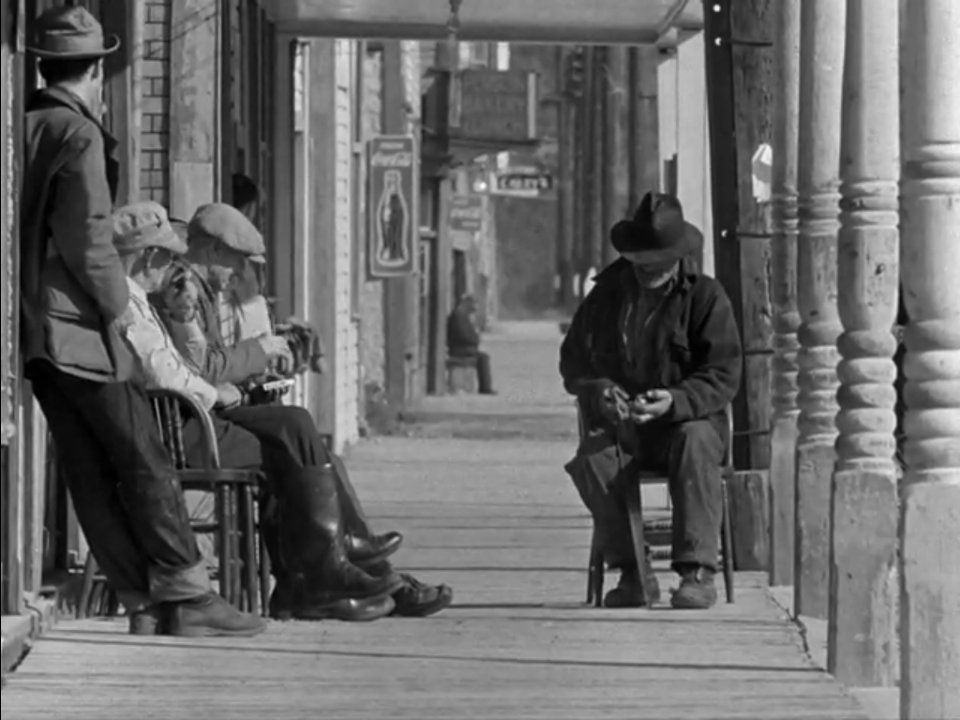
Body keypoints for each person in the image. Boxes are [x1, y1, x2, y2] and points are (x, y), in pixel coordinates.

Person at [19, 6, 263, 637]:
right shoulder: (78, 135)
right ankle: (185, 589)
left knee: (87, 470)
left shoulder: (22, 122)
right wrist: (122, 310)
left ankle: (142, 600)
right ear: (97, 70)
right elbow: (90, 241)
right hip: (78, 326)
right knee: (141, 456)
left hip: (33, 329)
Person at [147, 203, 454, 620]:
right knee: (297, 433)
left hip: (208, 411)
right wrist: (259, 352)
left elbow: (206, 364)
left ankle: (335, 572)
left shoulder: (200, 290)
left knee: (308, 449)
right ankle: (342, 568)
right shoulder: (183, 288)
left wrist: (248, 378)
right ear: (214, 252)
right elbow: (204, 365)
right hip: (192, 425)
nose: (236, 277)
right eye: (233, 265)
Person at [560, 192, 742, 610]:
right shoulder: (605, 297)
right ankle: (633, 572)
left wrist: (674, 401)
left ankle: (696, 572)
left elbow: (723, 374)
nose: (648, 271)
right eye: (641, 261)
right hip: (623, 426)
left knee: (695, 442)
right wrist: (601, 389)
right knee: (593, 460)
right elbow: (573, 362)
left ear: (677, 258)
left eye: (658, 263)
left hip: (686, 423)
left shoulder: (706, 298)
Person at [447, 295, 496, 395]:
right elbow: (464, 336)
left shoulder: (462, 315)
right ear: (467, 303)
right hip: (459, 349)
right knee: (483, 358)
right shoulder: (459, 316)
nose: (476, 308)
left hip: (460, 347)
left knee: (483, 356)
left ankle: (485, 387)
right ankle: (485, 387)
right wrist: (476, 339)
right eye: (474, 304)